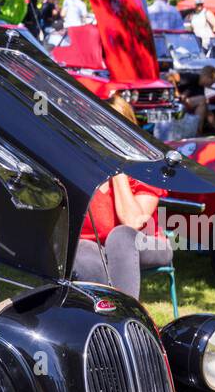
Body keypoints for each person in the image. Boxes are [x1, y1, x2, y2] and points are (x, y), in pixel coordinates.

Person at [72, 97, 174, 300]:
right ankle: (100, 317)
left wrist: (117, 170)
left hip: (147, 242)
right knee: (83, 252)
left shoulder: (146, 168)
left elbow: (134, 221)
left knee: (121, 236)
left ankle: (127, 316)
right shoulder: (81, 166)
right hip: (94, 245)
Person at [176, 65, 215, 134]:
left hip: (185, 107)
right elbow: (170, 76)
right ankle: (197, 132)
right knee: (202, 100)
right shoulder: (191, 77)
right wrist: (177, 94)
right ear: (207, 77)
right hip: (175, 105)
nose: (214, 83)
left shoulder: (201, 88)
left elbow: (207, 112)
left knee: (205, 107)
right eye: (213, 80)